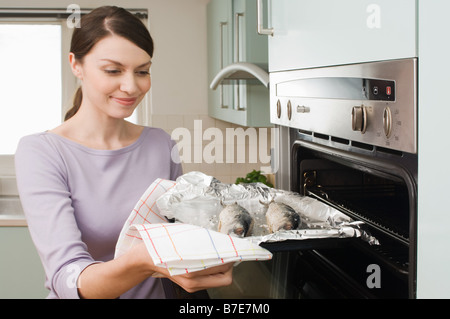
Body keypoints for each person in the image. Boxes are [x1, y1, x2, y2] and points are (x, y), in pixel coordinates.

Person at [14, 6, 233, 299]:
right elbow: (68, 279)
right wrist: (144, 260)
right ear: (76, 65)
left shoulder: (161, 144)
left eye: (142, 71)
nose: (131, 86)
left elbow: (181, 237)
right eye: (113, 70)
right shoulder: (41, 151)